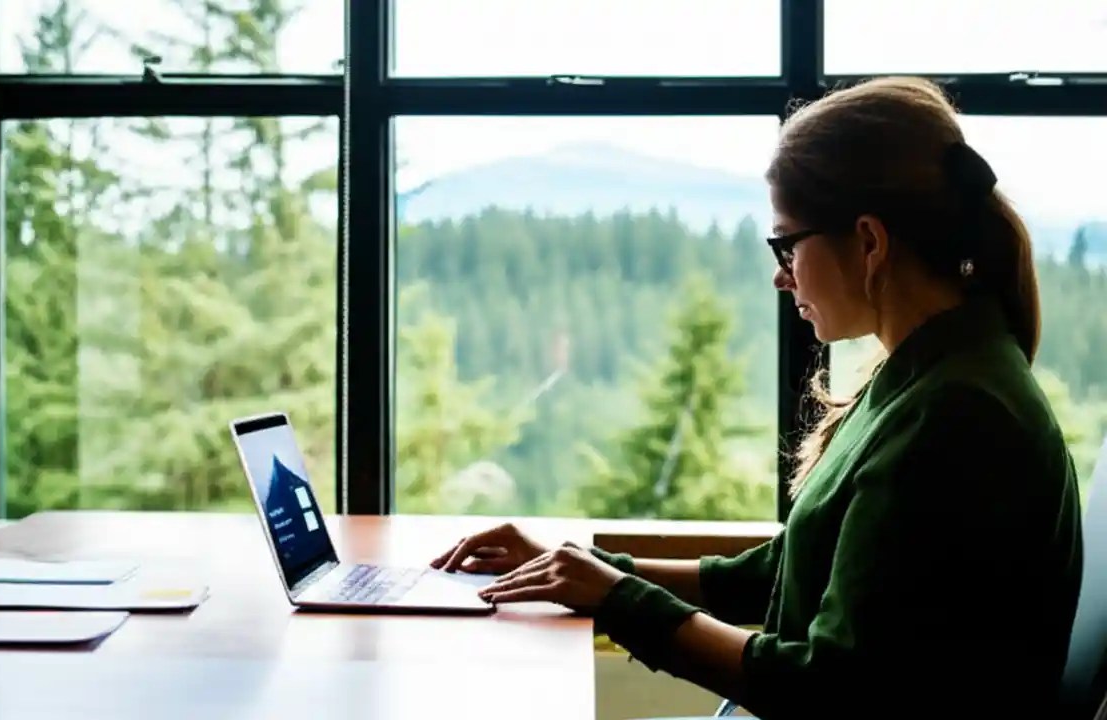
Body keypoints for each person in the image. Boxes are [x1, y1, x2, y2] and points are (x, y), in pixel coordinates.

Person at [430, 76, 1084, 719]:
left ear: (868, 242)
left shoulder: (955, 417)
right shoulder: (926, 372)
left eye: (786, 244)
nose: (780, 275)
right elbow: (789, 569)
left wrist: (621, 599)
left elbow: (826, 689)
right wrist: (585, 568)